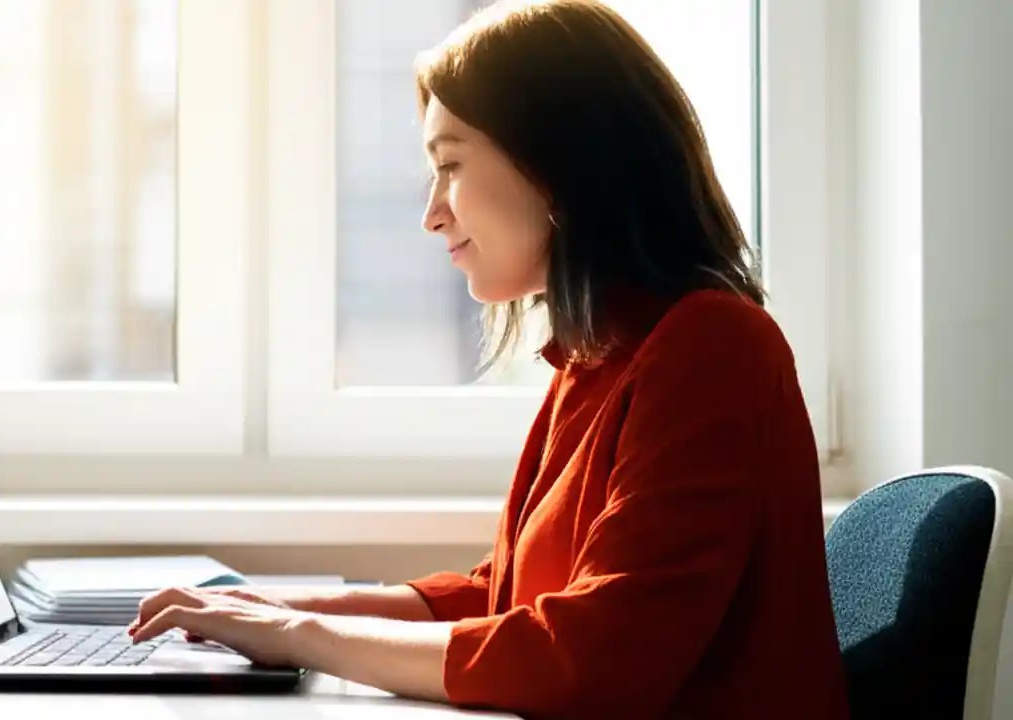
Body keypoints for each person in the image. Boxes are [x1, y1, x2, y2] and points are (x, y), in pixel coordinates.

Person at [129, 1, 849, 717]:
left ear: (556, 165)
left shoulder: (712, 349)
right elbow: (503, 600)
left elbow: (591, 657)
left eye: (450, 166)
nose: (432, 212)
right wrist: (263, 610)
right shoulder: (596, 362)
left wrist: (301, 634)